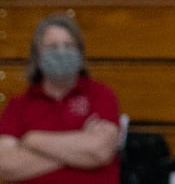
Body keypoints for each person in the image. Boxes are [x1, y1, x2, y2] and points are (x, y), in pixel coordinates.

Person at [0, 15, 121, 184]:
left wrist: (32, 140)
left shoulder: (101, 95)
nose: (61, 52)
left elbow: (99, 151)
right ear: (37, 56)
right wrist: (80, 145)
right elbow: (6, 165)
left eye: (69, 45)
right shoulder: (18, 105)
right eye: (52, 47)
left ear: (80, 52)